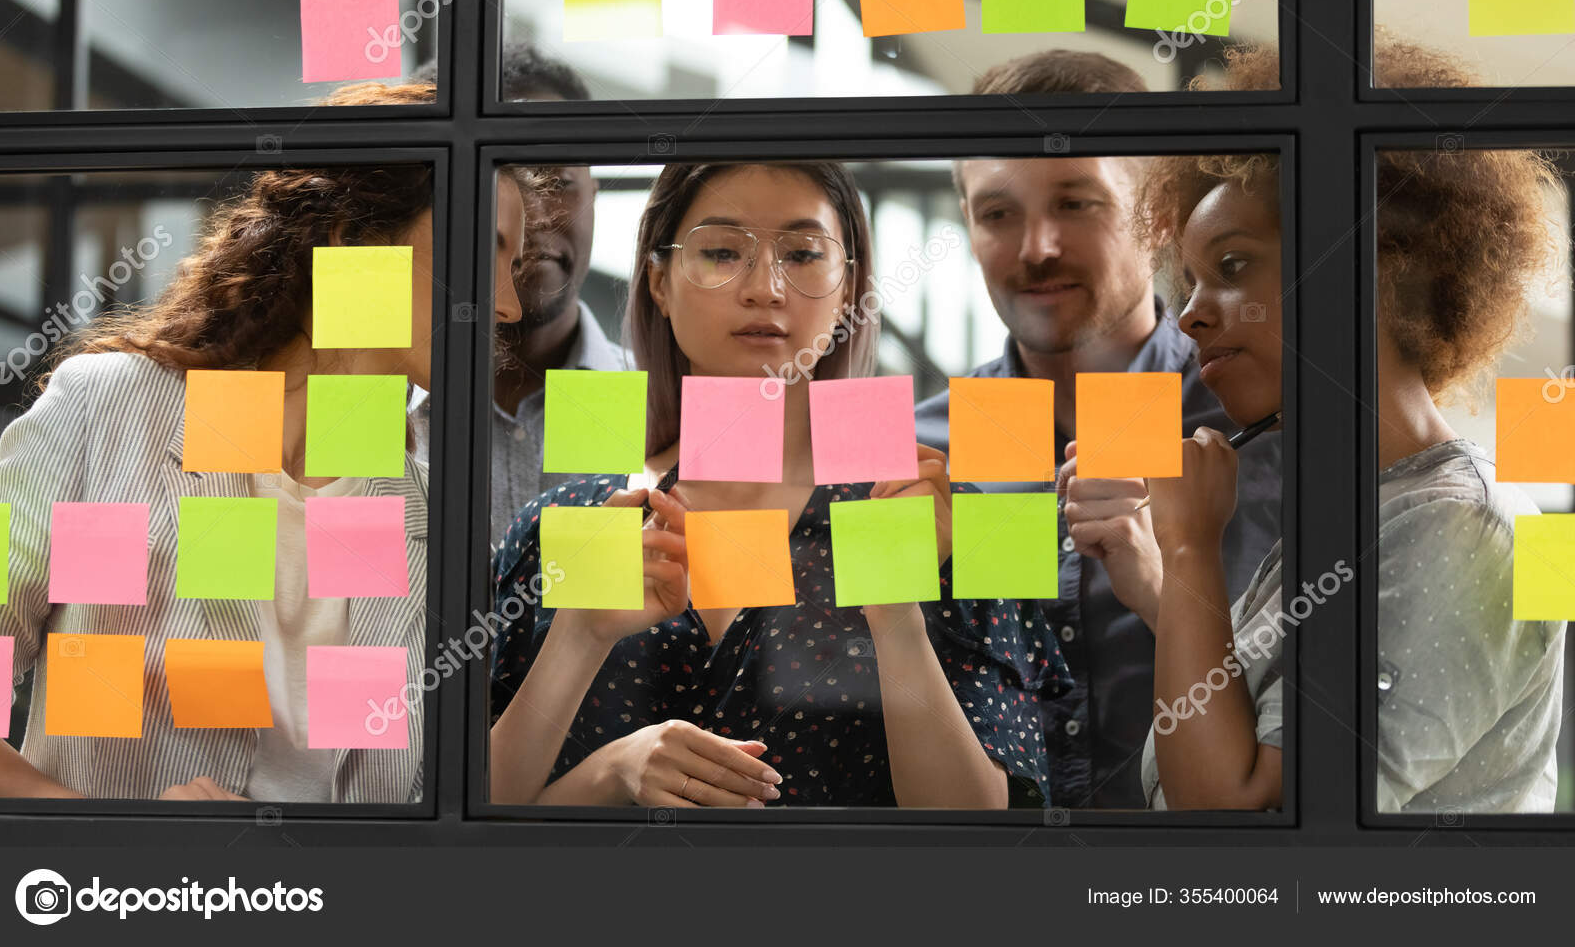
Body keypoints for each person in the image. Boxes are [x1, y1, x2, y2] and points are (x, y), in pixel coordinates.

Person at [0, 81, 536, 802]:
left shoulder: (420, 509)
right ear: (350, 240)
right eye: (482, 249)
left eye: (515, 267)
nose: (507, 303)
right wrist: (118, 843)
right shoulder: (111, 413)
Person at [488, 162, 1071, 809]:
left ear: (849, 289)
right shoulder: (561, 522)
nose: (764, 289)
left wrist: (897, 615)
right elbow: (471, 826)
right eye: (719, 252)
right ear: (658, 281)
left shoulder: (939, 518)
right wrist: (611, 774)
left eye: (802, 254)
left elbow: (989, 834)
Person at [1131, 42, 1565, 812]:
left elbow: (1236, 821)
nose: (1191, 315)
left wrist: (1191, 547)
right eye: (1190, 282)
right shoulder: (1359, 511)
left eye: (1232, 268)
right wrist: (1164, 579)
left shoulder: (1463, 529)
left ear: (1364, 267)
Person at [914, 50, 1281, 809]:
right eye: (997, 213)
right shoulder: (924, 456)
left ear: (1155, 218)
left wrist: (1170, 584)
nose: (1036, 247)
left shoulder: (1259, 427)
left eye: (1076, 203)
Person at [410, 44, 625, 545]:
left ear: (593, 192)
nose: (536, 215)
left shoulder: (668, 410)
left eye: (558, 182)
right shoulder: (360, 413)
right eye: (497, 182)